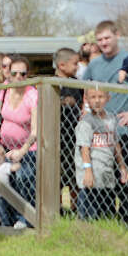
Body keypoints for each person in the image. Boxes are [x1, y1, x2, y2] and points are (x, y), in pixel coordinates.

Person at [82, 20, 128, 227]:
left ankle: (127, 220)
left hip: (125, 131)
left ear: (117, 35)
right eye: (99, 40)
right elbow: (85, 90)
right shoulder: (94, 64)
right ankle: (107, 218)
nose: (104, 42)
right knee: (102, 173)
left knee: (123, 174)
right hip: (101, 131)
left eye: (107, 38)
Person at [75, 86, 128, 220]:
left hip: (107, 174)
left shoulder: (111, 119)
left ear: (108, 98)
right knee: (89, 214)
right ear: (87, 100)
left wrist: (122, 165)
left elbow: (115, 144)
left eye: (100, 97)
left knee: (107, 214)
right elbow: (84, 148)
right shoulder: (86, 122)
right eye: (93, 97)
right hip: (91, 177)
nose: (97, 101)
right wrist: (88, 171)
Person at [0, 56, 37, 227]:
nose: (18, 77)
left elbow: (35, 130)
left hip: (28, 148)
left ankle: (27, 219)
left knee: (23, 180)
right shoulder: (5, 90)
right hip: (6, 148)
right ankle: (9, 219)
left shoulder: (33, 95)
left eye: (23, 74)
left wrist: (22, 151)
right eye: (14, 73)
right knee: (6, 184)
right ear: (9, 74)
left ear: (28, 75)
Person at [53, 47, 83, 214]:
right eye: (74, 63)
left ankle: (75, 208)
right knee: (57, 176)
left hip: (74, 137)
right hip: (57, 137)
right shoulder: (52, 84)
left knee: (74, 176)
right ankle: (56, 209)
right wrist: (62, 102)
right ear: (62, 65)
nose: (77, 66)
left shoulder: (77, 83)